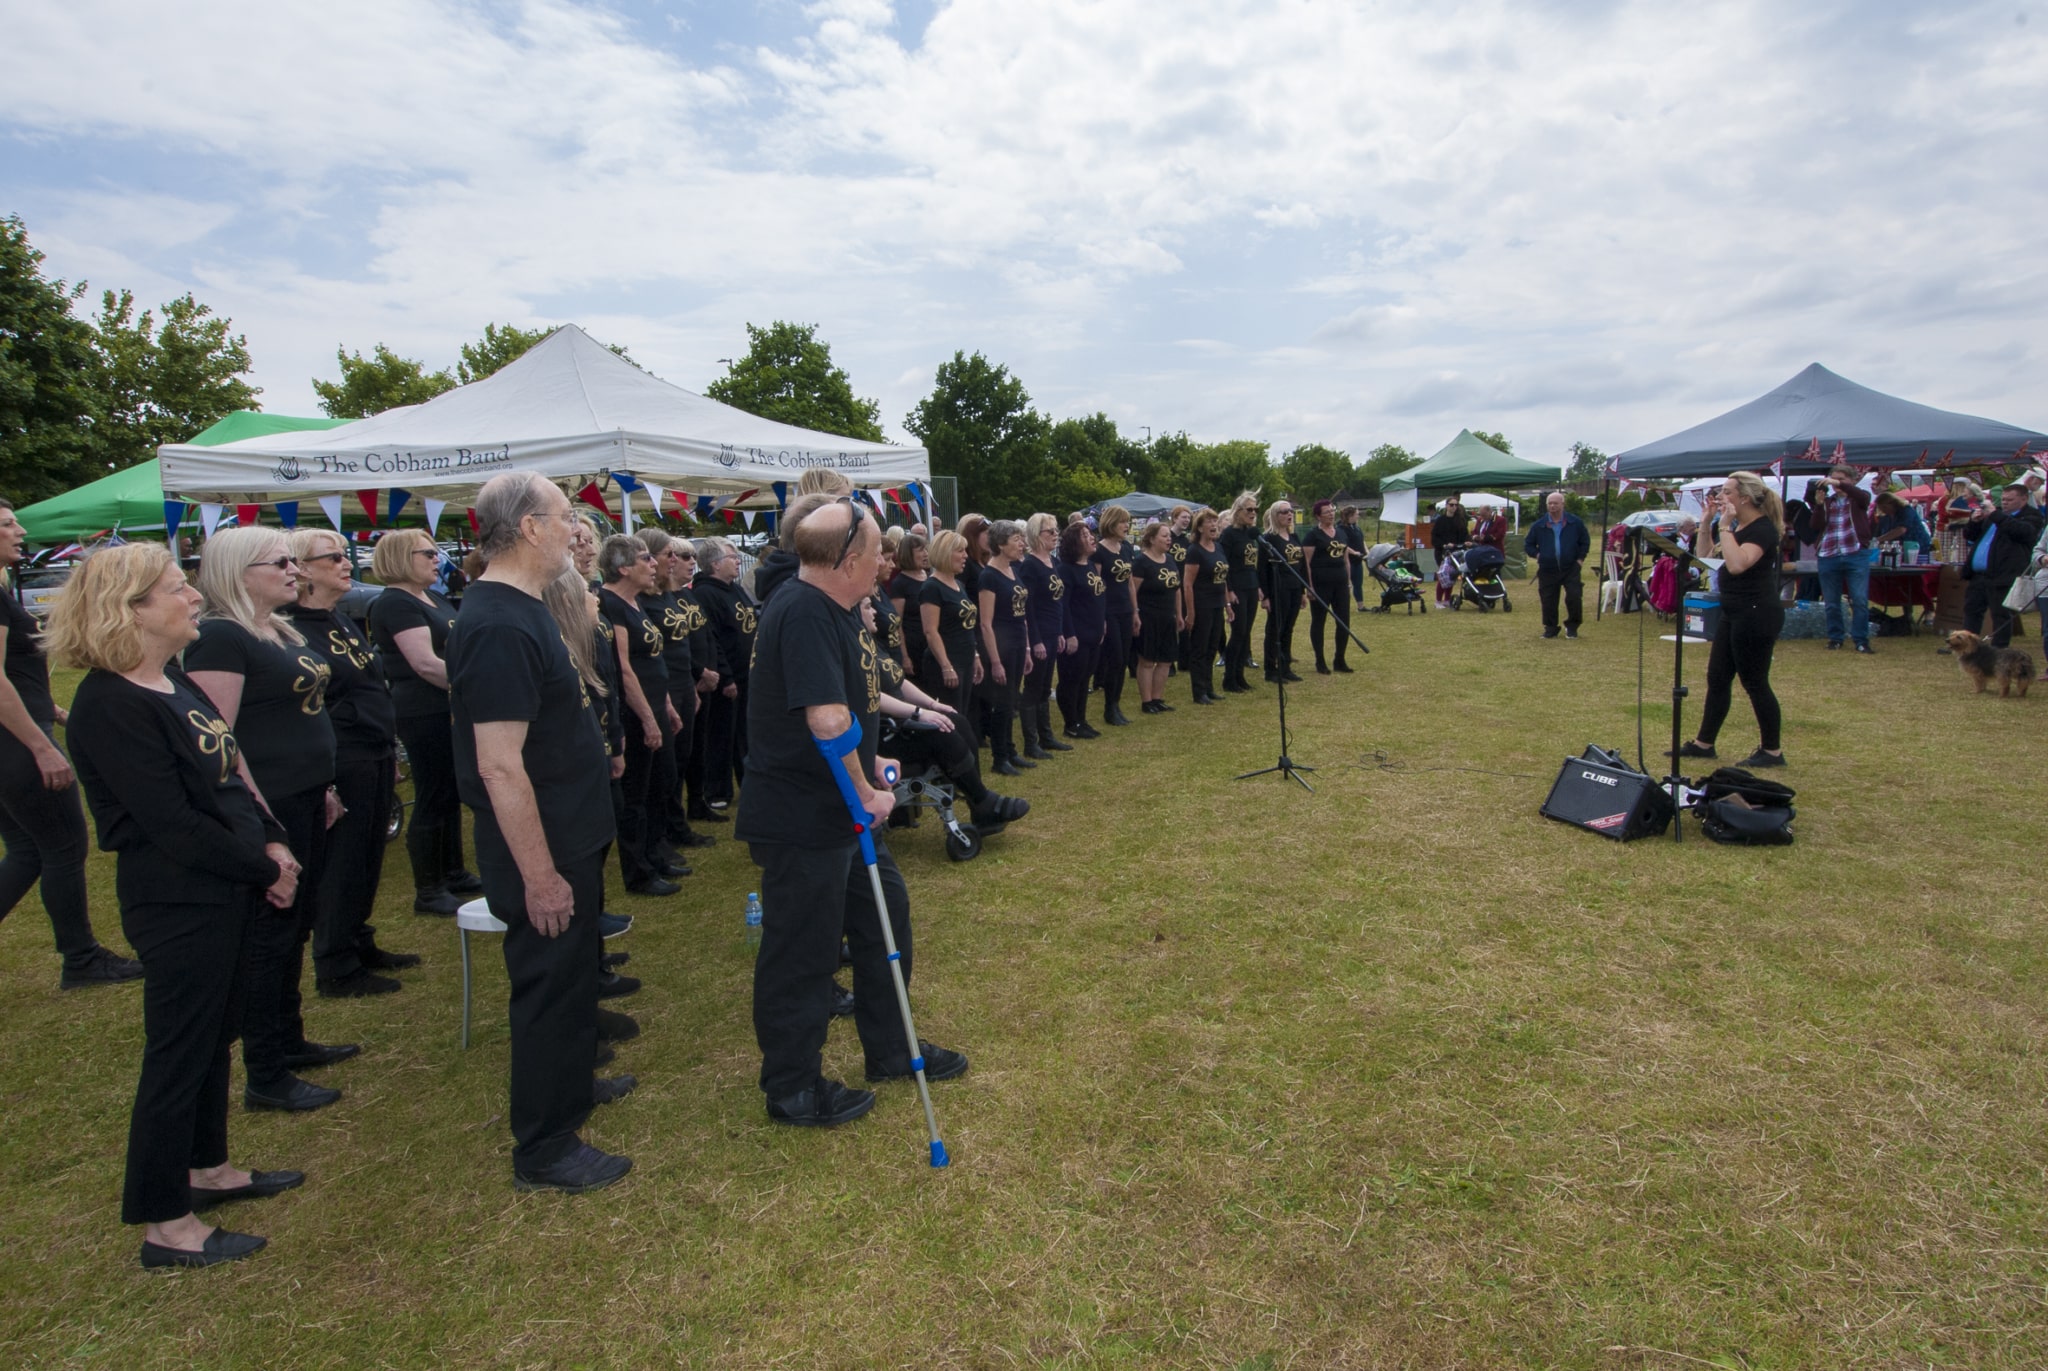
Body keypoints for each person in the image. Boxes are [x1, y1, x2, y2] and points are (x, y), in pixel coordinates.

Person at [52, 543, 303, 1268]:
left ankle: (207, 1166)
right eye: (173, 589)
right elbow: (173, 823)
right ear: (127, 609)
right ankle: (166, 1223)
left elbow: (228, 779)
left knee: (212, 1038)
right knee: (177, 1052)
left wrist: (275, 841)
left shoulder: (170, 681)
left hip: (227, 885)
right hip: (179, 898)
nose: (193, 597)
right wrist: (262, 867)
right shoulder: (110, 704)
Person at [738, 497, 966, 1128]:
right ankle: (792, 1086)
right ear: (847, 560)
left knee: (884, 920)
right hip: (804, 816)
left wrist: (872, 773)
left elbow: (856, 703)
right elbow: (826, 717)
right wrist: (865, 791)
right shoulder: (805, 610)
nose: (883, 562)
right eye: (874, 553)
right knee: (801, 953)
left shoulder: (837, 610)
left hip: (842, 809)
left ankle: (892, 1051)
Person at [447, 472, 630, 1194]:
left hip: (569, 832)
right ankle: (546, 1145)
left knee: (572, 978)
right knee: (547, 990)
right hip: (541, 847)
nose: (573, 532)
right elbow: (498, 765)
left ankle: (572, 1091)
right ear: (527, 527)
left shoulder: (521, 609)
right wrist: (540, 873)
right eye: (562, 518)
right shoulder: (495, 622)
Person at [185, 527, 345, 1114]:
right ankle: (266, 1070)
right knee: (268, 935)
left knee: (298, 922)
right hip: (267, 807)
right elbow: (218, 742)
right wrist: (262, 819)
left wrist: (322, 783)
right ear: (238, 570)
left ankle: (289, 1037)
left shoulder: (274, 628)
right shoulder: (219, 639)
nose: (293, 569)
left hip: (305, 794)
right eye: (278, 562)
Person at [0, 499, 142, 988]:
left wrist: (51, 710)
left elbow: (17, 677)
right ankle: (81, 959)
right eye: (6, 524)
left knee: (27, 849)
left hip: (14, 735)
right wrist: (40, 745)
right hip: (16, 744)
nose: (19, 530)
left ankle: (80, 956)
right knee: (62, 848)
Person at [286, 528, 413, 998]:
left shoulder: (336, 619)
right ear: (302, 569)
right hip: (343, 754)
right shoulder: (293, 628)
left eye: (345, 555)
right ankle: (335, 961)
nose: (345, 563)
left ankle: (359, 939)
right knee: (344, 859)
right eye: (332, 557)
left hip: (374, 749)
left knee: (368, 855)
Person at [367, 529, 476, 918]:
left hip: (447, 705)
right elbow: (425, 663)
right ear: (400, 557)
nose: (436, 559)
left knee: (449, 790)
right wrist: (475, 684)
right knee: (432, 792)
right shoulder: (395, 603)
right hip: (423, 708)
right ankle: (428, 888)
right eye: (428, 553)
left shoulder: (430, 596)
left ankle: (453, 870)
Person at [1670, 472, 1787, 768]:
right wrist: (1707, 523)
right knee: (1718, 677)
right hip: (1732, 610)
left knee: (1755, 681)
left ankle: (1772, 751)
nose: (1720, 497)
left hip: (1757, 612)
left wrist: (1724, 526)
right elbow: (1706, 557)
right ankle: (1704, 743)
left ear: (1744, 498)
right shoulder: (1737, 527)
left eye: (1726, 492)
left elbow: (1736, 565)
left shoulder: (1762, 529)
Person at [598, 536, 686, 897]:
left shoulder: (634, 604)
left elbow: (652, 661)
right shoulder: (611, 604)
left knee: (659, 785)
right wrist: (648, 719)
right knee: (635, 794)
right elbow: (624, 668)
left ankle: (656, 854)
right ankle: (638, 871)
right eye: (646, 558)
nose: (654, 564)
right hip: (633, 714)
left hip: (653, 705)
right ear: (622, 568)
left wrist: (665, 705)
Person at [635, 528, 713, 858]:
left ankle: (676, 824)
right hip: (664, 687)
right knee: (664, 767)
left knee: (681, 759)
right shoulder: (642, 600)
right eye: (668, 554)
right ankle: (663, 830)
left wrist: (691, 683)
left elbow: (683, 642)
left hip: (682, 684)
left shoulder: (671, 595)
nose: (671, 561)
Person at [692, 536, 756, 813]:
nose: (738, 561)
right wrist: (726, 677)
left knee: (744, 733)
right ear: (716, 564)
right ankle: (717, 790)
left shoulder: (735, 589)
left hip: (747, 674)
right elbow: (714, 639)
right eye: (732, 557)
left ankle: (749, 783)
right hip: (726, 678)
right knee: (721, 736)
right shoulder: (706, 594)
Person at [976, 520, 1035, 774]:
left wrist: (1028, 648)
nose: (1022, 544)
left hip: (1018, 641)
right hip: (1000, 645)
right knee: (1002, 703)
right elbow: (986, 623)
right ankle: (1000, 758)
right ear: (1000, 544)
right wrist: (996, 660)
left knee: (1012, 699)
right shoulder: (989, 576)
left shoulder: (1014, 570)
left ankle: (1011, 750)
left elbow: (1022, 615)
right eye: (1016, 540)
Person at [1801, 463, 1876, 653]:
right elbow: (1815, 525)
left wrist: (1839, 484)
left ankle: (1860, 640)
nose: (1836, 483)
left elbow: (1861, 497)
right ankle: (1835, 637)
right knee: (1832, 602)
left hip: (1855, 552)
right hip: (1829, 553)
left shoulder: (1859, 497)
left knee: (1859, 599)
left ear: (1852, 480)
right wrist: (1818, 505)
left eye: (1841, 479)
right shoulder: (1828, 501)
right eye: (1834, 479)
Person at [1960, 483, 2046, 649]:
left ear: (2024, 499)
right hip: (1979, 574)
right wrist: (1974, 522)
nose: (2005, 503)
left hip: (2003, 574)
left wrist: (1995, 515)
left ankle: (1999, 649)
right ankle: (1968, 647)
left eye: (2010, 500)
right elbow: (1970, 536)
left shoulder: (2031, 516)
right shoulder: (1996, 515)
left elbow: (2022, 533)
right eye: (2003, 499)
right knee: (1972, 610)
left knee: (2000, 614)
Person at [917, 530, 982, 733]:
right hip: (946, 662)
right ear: (945, 552)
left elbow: (966, 626)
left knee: (961, 715)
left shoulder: (959, 584)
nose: (965, 556)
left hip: (964, 658)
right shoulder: (932, 588)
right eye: (960, 551)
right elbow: (930, 631)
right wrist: (946, 666)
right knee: (949, 718)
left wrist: (975, 655)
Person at [1016, 513, 1070, 757]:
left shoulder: (1052, 562)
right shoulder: (1030, 566)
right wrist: (1035, 640)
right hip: (1039, 634)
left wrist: (1059, 632)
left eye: (1056, 530)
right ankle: (1031, 742)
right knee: (1033, 687)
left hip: (1052, 631)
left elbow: (1057, 602)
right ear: (1037, 535)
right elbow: (1029, 607)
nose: (1055, 535)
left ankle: (1046, 736)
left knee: (1045, 686)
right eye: (1050, 531)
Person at [1055, 520, 1106, 738]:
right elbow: (1063, 606)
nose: (1092, 538)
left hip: (1094, 632)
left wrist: (1102, 623)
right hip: (1077, 634)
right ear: (1075, 542)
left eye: (1090, 534)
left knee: (1085, 678)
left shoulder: (1090, 566)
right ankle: (1071, 723)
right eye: (1085, 536)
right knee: (1071, 679)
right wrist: (1070, 634)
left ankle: (1081, 719)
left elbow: (1098, 598)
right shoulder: (1066, 570)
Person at [1090, 506, 1139, 724]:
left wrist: (1135, 611)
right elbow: (1097, 585)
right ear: (1111, 523)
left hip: (1125, 609)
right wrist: (1099, 617)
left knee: (1125, 659)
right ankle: (1109, 707)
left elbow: (1129, 582)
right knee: (1115, 658)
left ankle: (1116, 705)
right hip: (1108, 610)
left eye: (1127, 522)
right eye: (1122, 522)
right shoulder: (1099, 551)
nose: (1126, 526)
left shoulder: (1126, 547)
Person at [1131, 521, 1183, 714]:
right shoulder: (1141, 562)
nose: (1168, 539)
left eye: (1169, 536)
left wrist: (1178, 614)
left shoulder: (1170, 560)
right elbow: (1133, 591)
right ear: (1152, 539)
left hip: (1167, 617)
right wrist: (1135, 614)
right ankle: (1146, 701)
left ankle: (1158, 698)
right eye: (1164, 536)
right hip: (1148, 617)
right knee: (1147, 660)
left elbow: (1176, 589)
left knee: (1165, 660)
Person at [1523, 492, 1589, 639]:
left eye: (1555, 503)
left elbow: (1585, 541)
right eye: (1550, 503)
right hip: (1548, 568)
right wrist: (1538, 555)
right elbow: (1528, 544)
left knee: (1574, 596)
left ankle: (1572, 626)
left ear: (1562, 504)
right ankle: (1551, 628)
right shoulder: (1539, 525)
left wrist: (1580, 559)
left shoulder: (1575, 523)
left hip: (1571, 567)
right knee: (1548, 599)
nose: (1552, 506)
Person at [1300, 499, 1355, 674]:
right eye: (1327, 512)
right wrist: (1309, 586)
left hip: (1340, 583)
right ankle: (1320, 660)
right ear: (1318, 516)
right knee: (1319, 621)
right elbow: (1306, 562)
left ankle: (1340, 659)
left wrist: (1349, 581)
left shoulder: (1341, 533)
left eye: (1332, 511)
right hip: (1320, 584)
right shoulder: (1313, 535)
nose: (1331, 514)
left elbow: (1346, 559)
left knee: (1344, 621)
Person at [1181, 507, 1229, 703]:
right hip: (1202, 604)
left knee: (1212, 647)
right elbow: (1187, 584)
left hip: (1217, 603)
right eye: (1209, 522)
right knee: (1200, 648)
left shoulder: (1218, 547)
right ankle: (1198, 691)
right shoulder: (1194, 551)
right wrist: (1191, 612)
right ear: (1199, 527)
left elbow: (1223, 577)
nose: (1214, 525)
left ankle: (1209, 687)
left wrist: (1227, 604)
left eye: (1215, 521)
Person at [1217, 492, 1262, 692]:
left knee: (1246, 633)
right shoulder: (1229, 535)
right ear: (1238, 511)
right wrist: (1229, 590)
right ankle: (1229, 678)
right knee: (1238, 632)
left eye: (1255, 509)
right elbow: (1223, 565)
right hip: (1237, 588)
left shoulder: (1250, 533)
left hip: (1251, 585)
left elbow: (1253, 563)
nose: (1253, 513)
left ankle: (1240, 676)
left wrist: (1258, 586)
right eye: (1249, 509)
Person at [1257, 501, 1306, 682]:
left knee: (1288, 629)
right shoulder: (1268, 539)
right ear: (1275, 515)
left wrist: (1302, 591)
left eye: (1291, 511)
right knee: (1275, 629)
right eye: (1284, 512)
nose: (1289, 514)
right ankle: (1271, 669)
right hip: (1278, 589)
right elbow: (1262, 569)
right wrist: (1265, 596)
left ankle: (1285, 667)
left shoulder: (1294, 537)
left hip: (1294, 587)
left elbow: (1301, 566)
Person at [887, 532, 931, 681]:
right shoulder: (900, 583)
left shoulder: (929, 577)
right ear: (908, 554)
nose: (926, 554)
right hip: (914, 646)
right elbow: (897, 623)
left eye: (926, 550)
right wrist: (904, 656)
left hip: (931, 644)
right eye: (921, 551)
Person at [1430, 497, 1469, 608]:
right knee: (1443, 575)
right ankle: (1438, 600)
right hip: (1442, 552)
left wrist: (1464, 543)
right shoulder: (1440, 520)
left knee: (1452, 576)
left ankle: (1447, 599)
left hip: (1456, 552)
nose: (1454, 507)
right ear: (1446, 506)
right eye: (1451, 505)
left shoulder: (1460, 521)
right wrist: (1443, 545)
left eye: (1456, 505)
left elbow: (1464, 535)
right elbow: (1434, 537)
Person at [1338, 504, 1368, 605]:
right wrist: (1354, 552)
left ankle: (1361, 605)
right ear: (1350, 515)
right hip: (1348, 560)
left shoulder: (1356, 527)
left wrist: (1367, 553)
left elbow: (1362, 541)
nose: (1358, 516)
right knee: (1346, 584)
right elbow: (1343, 544)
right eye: (1356, 514)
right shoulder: (1341, 528)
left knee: (1358, 584)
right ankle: (1343, 604)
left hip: (1358, 560)